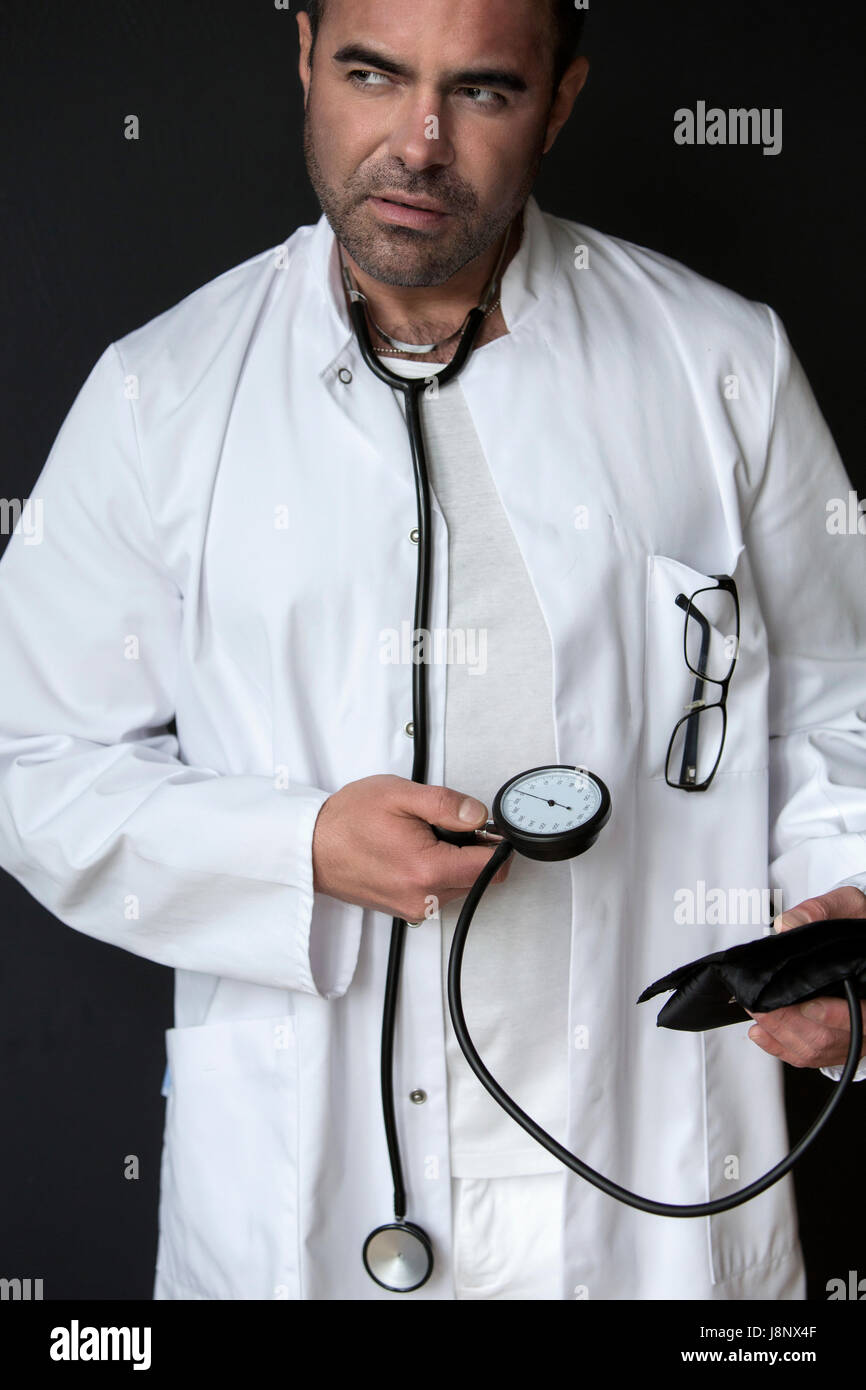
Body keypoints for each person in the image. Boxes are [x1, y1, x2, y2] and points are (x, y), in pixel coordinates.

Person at [0, 0, 863, 1302]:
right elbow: (27, 754)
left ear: (560, 99)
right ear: (302, 58)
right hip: (309, 1188)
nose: (417, 142)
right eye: (369, 73)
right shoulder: (159, 394)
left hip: (647, 1173)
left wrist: (843, 912)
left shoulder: (717, 364)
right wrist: (294, 848)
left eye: (481, 91)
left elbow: (833, 706)